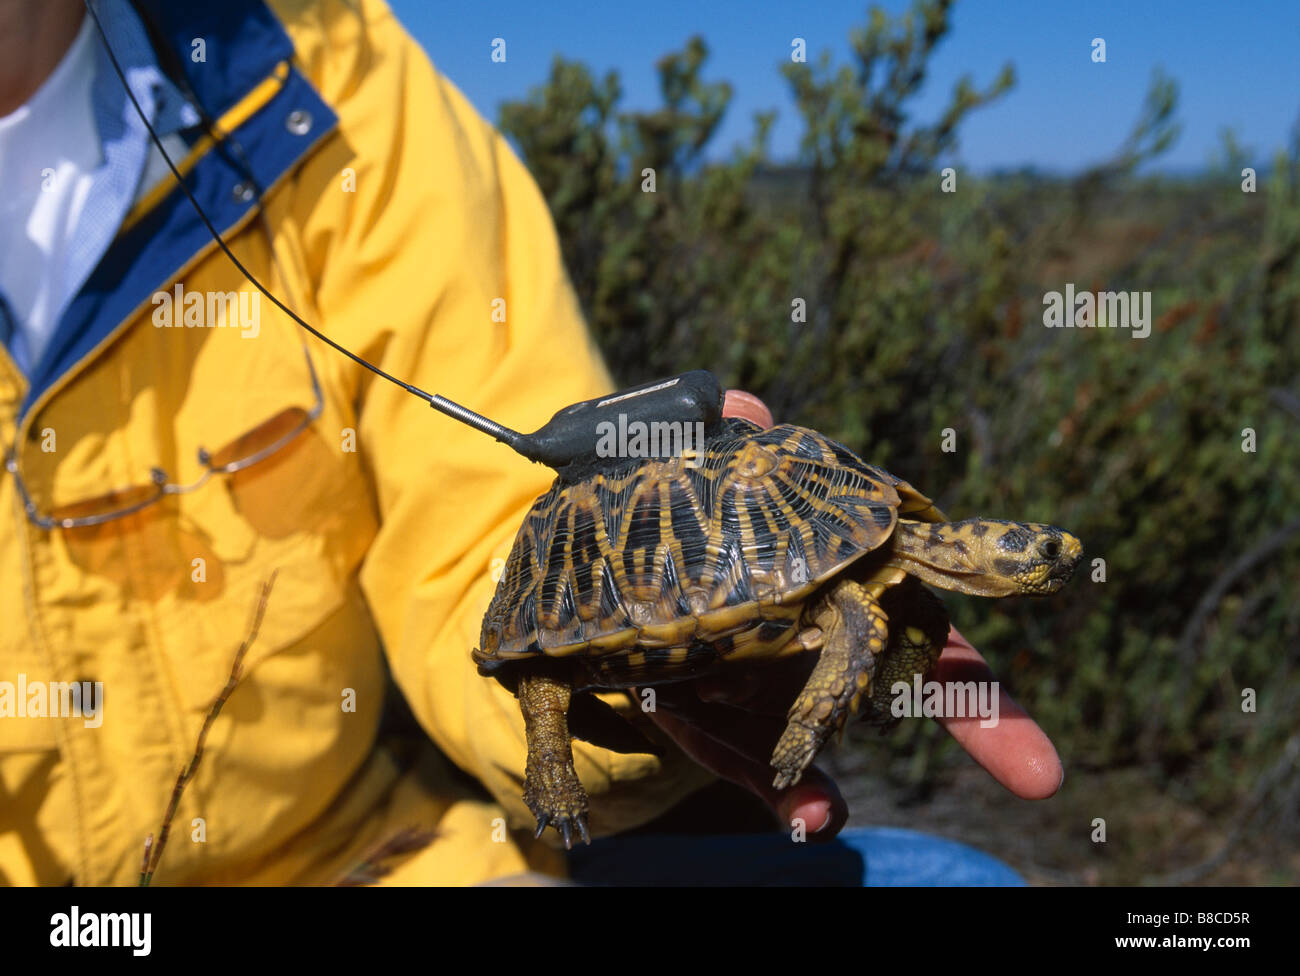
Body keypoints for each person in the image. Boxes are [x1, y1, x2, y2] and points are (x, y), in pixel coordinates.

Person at [0, 0, 1060, 886]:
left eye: (1032, 555)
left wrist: (646, 718)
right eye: (1029, 550)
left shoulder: (320, 77)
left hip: (358, 857)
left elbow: (482, 545)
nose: (1034, 560)